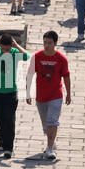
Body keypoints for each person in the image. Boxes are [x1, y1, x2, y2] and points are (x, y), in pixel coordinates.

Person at [26, 30, 71, 160]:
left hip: (56, 95)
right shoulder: (37, 57)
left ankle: (50, 149)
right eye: (45, 42)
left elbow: (66, 77)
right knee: (46, 125)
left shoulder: (61, 59)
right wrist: (28, 92)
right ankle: (51, 140)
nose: (47, 45)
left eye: (50, 43)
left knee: (52, 122)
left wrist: (68, 94)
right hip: (41, 96)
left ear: (55, 43)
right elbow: (29, 75)